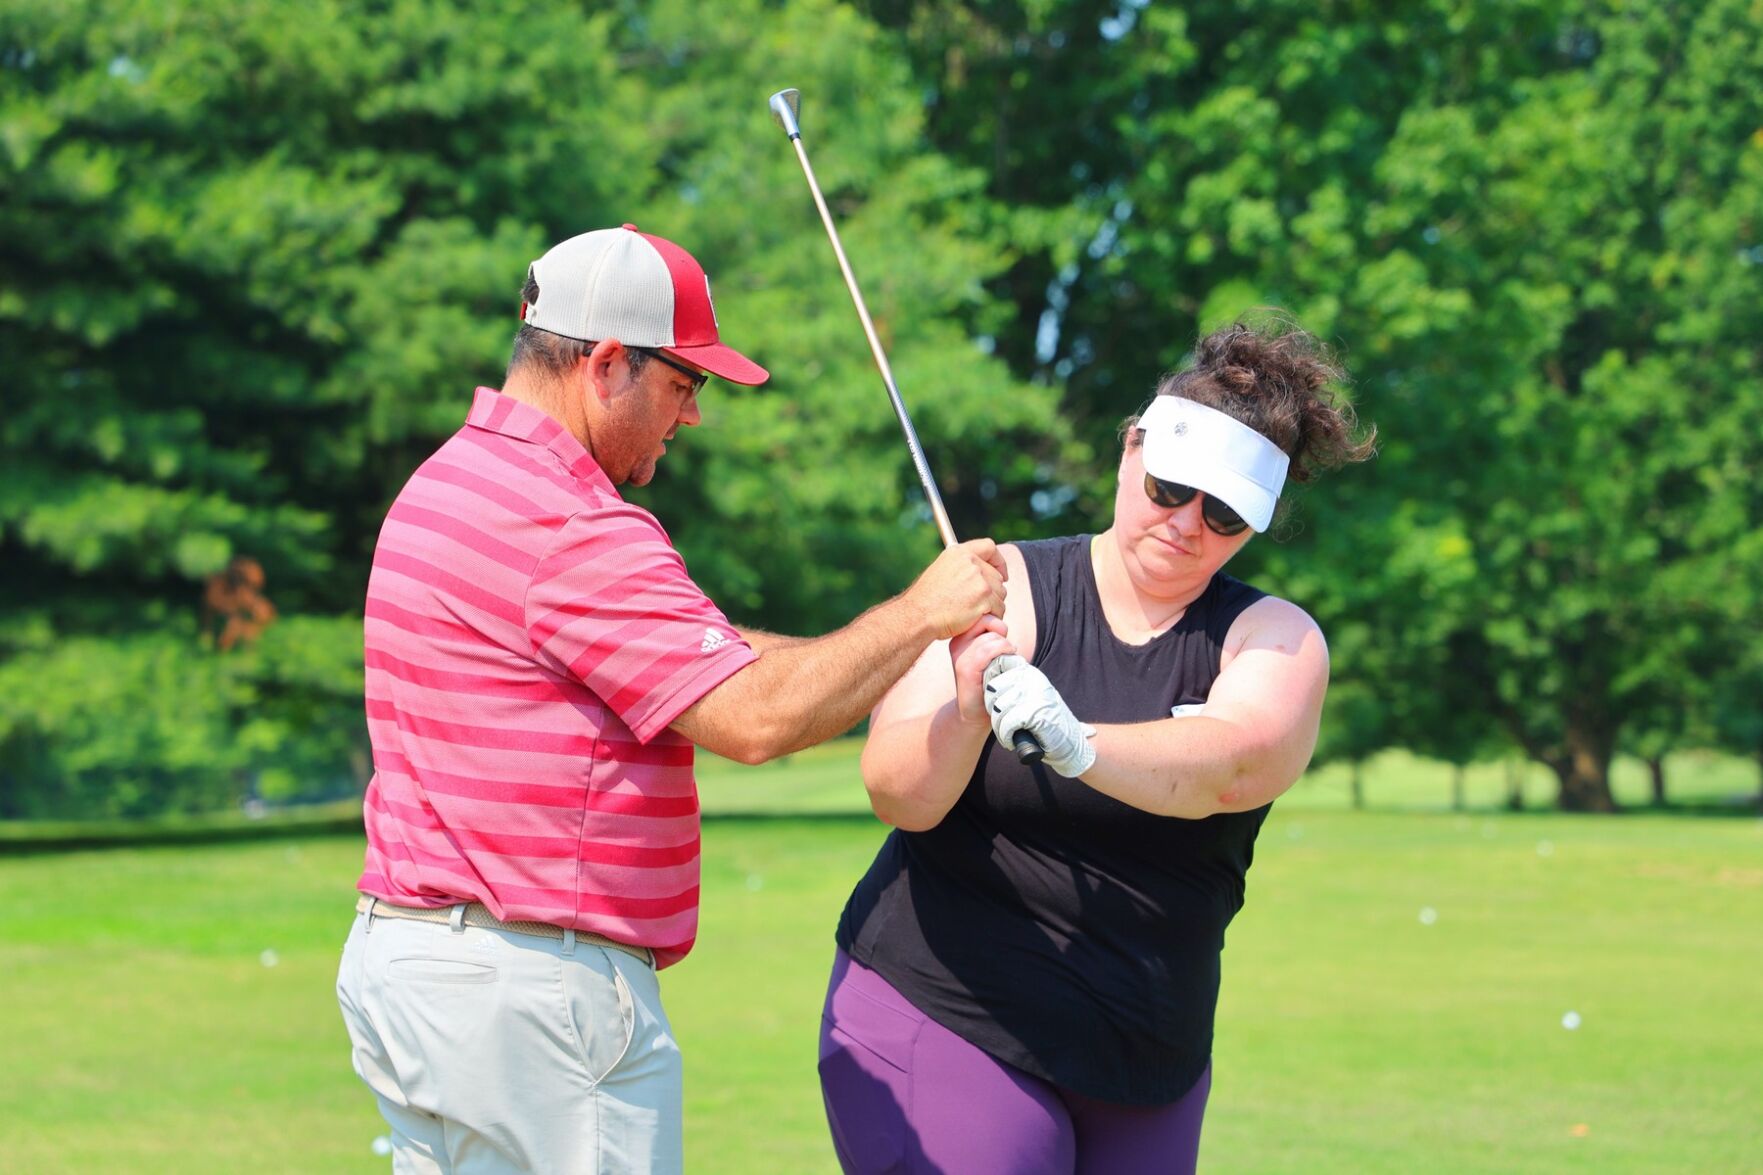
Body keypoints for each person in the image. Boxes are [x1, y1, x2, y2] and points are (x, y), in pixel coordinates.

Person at [335, 223, 1009, 1175]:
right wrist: (921, 610)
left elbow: (710, 662)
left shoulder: (450, 481)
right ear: (607, 363)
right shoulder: (572, 522)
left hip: (419, 974)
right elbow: (753, 715)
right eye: (684, 384)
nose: (691, 416)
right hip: (535, 994)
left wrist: (902, 659)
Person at [819, 319, 1375, 1174]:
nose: (1186, 524)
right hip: (949, 1007)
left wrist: (1074, 743)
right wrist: (969, 710)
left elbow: (1232, 764)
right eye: (1169, 487)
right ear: (1130, 450)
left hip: (1147, 1059)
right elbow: (896, 791)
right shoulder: (998, 588)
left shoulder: (1273, 635)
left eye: (1223, 513)